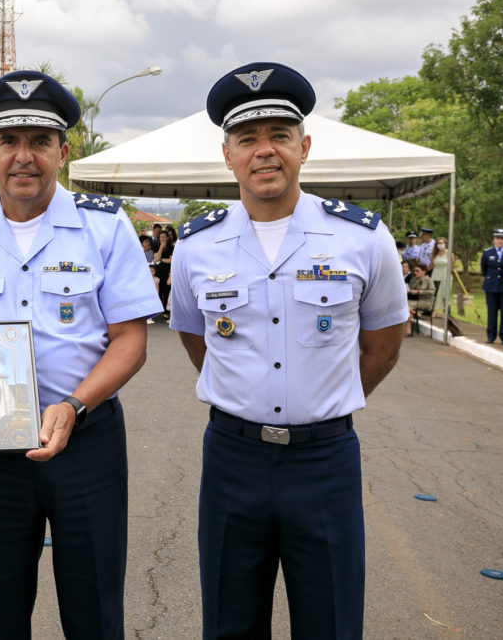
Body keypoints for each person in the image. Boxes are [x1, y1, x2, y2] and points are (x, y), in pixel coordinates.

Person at [0, 69, 162, 639]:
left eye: (40, 141)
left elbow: (130, 340)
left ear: (63, 151)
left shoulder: (104, 227)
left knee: (95, 612)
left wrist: (74, 405)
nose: (24, 157)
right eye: (9, 141)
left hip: (87, 441)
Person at [168, 62, 408, 639]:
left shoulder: (362, 236)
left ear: (304, 147)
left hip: (324, 461)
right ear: (227, 156)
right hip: (233, 457)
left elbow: (383, 343)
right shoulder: (196, 245)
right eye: (247, 138)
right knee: (229, 620)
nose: (264, 151)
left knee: (330, 621)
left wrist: (323, 399)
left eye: (279, 135)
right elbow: (196, 337)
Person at [405, 261, 435, 336]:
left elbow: (432, 292)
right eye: (414, 271)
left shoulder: (429, 280)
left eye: (417, 271)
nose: (415, 272)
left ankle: (408, 326)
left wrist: (419, 292)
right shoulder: (414, 279)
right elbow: (410, 287)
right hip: (414, 300)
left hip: (425, 301)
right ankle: (414, 313)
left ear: (424, 271)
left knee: (408, 305)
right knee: (404, 304)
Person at [153, 228, 173, 318]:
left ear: (167, 238)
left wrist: (160, 259)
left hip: (168, 272)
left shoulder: (171, 247)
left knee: (167, 290)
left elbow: (171, 260)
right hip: (158, 271)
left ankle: (165, 311)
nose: (162, 239)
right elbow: (156, 258)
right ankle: (159, 309)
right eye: (161, 237)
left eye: (164, 237)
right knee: (159, 290)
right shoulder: (156, 246)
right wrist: (161, 247)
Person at [430, 236, 452, 310]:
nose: (440, 244)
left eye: (441, 243)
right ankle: (433, 311)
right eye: (438, 243)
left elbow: (452, 265)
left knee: (444, 295)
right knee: (435, 294)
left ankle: (446, 311)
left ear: (445, 243)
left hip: (445, 276)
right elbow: (432, 264)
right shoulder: (434, 253)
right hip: (435, 275)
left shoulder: (449, 253)